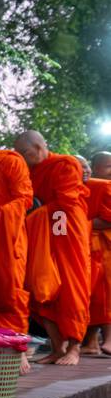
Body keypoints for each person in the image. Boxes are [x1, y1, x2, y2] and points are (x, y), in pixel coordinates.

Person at [14, 130, 90, 365]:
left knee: (70, 286)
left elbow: (65, 202)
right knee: (39, 287)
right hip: (43, 233)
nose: (24, 159)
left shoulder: (65, 163)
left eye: (26, 153)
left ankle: (74, 348)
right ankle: (57, 347)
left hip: (65, 229)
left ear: (39, 147)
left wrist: (35, 215)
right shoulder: (29, 171)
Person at [81, 151, 111, 355]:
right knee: (91, 295)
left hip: (104, 246)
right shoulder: (86, 187)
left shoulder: (103, 187)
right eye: (108, 166)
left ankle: (108, 340)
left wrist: (82, 225)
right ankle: (91, 341)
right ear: (96, 166)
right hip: (86, 248)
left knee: (106, 294)